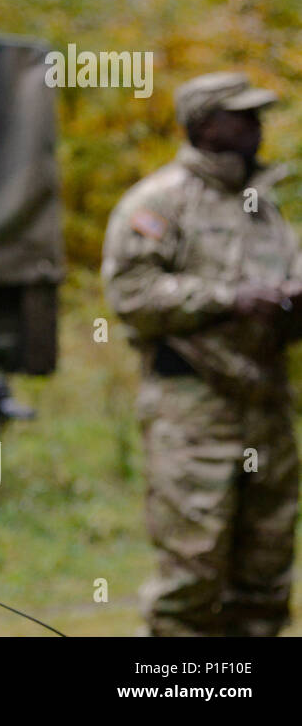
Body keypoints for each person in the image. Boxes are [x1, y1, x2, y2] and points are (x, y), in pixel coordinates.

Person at [101, 71, 301, 637]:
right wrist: (230, 298)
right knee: (192, 576)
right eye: (243, 115)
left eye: (258, 115)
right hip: (193, 410)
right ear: (205, 125)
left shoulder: (263, 206)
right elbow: (131, 295)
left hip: (267, 408)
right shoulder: (159, 201)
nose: (257, 126)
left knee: (265, 576)